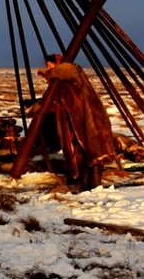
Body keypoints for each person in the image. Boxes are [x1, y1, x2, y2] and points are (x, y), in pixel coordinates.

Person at [32, 53, 114, 190]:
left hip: (88, 117)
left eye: (50, 64)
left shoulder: (74, 71)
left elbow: (66, 70)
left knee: (93, 150)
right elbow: (49, 100)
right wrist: (34, 107)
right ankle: (82, 182)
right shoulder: (58, 83)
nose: (48, 67)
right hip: (72, 122)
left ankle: (95, 186)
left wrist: (48, 72)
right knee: (77, 152)